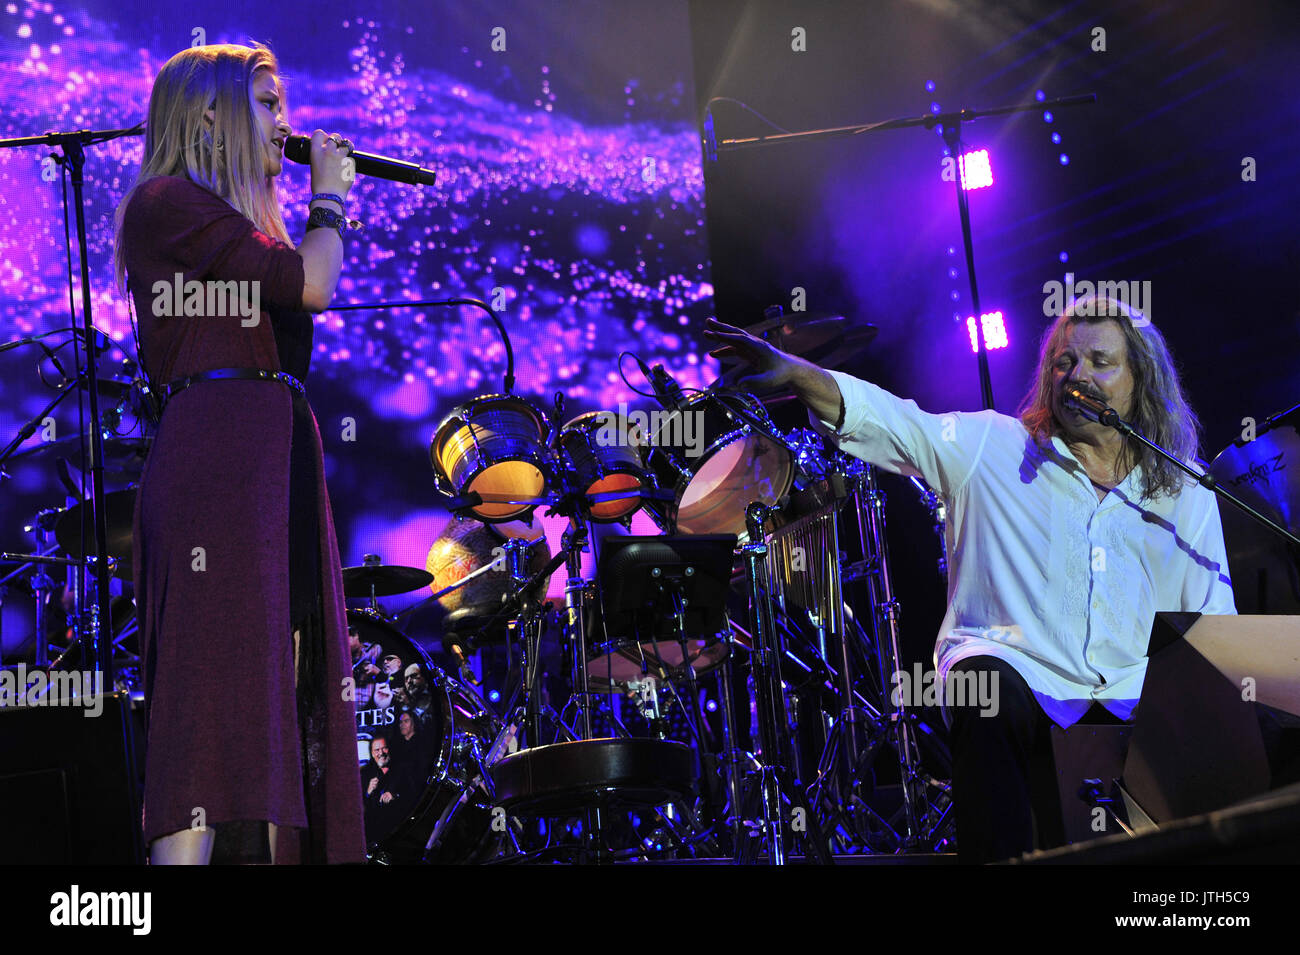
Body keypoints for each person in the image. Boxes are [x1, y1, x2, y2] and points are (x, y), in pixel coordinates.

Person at [703, 299, 1236, 863]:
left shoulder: (1186, 491)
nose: (1076, 375)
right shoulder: (993, 446)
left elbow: (1210, 626)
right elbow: (894, 422)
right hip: (1018, 675)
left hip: (1132, 692)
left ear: (1141, 379)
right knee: (983, 687)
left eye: (1100, 361)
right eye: (1063, 363)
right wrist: (796, 373)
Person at [114, 42, 364, 864]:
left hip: (273, 468)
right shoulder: (164, 203)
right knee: (203, 723)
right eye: (266, 102)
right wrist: (330, 202)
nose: (285, 122)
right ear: (211, 111)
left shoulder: (237, 228)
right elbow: (313, 283)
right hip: (217, 471)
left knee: (271, 718)